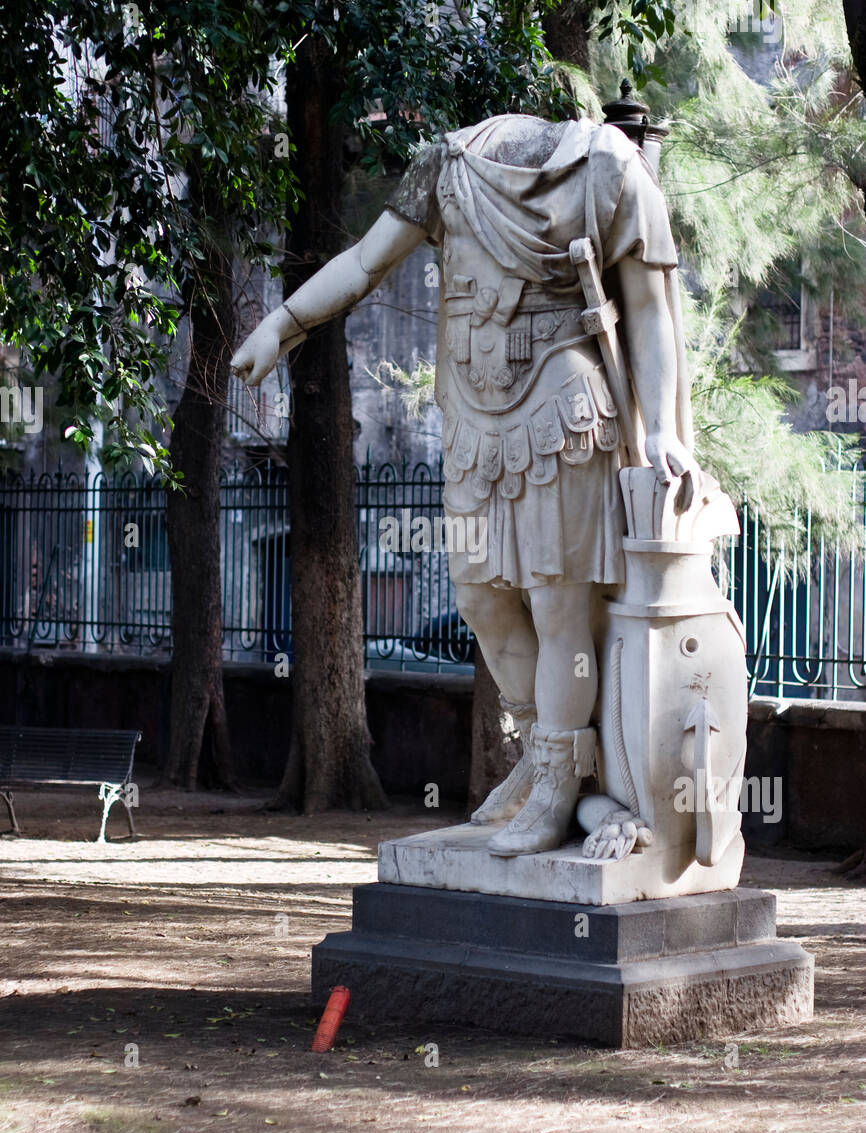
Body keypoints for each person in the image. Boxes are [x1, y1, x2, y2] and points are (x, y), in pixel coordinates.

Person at [231, 112, 698, 858]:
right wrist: (282, 325)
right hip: (474, 421)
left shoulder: (609, 169)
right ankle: (550, 759)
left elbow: (648, 310)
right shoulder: (448, 167)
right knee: (481, 599)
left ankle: (556, 786)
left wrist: (663, 432)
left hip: (565, 412)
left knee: (556, 605)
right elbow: (363, 263)